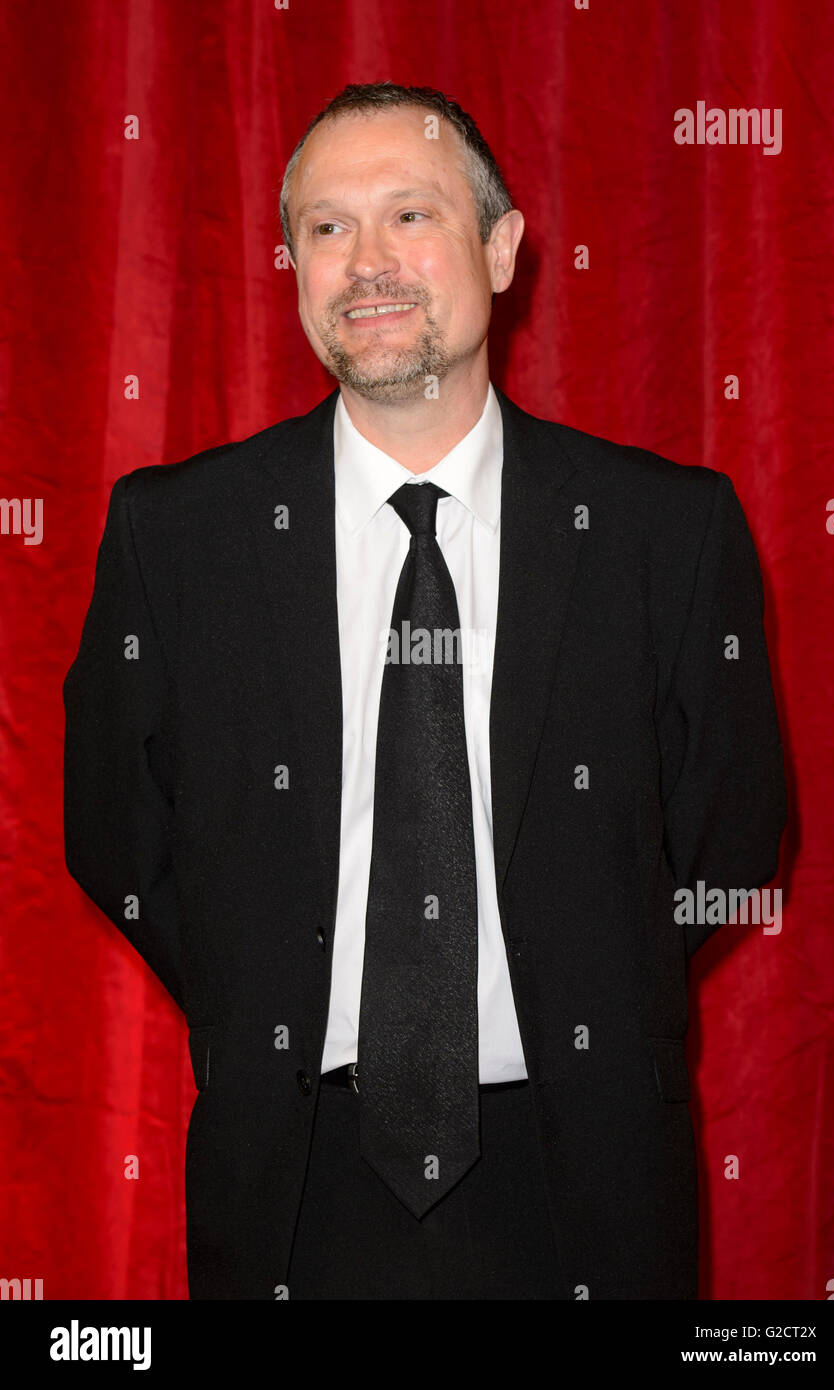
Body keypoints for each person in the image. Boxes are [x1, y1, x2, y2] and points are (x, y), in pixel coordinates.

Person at [63, 82, 787, 1300]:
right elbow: (115, 832)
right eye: (329, 227)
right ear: (292, 265)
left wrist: (583, 980)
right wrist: (268, 996)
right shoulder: (175, 534)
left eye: (411, 214)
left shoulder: (666, 531)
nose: (366, 262)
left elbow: (728, 829)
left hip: (585, 1185)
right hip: (289, 1183)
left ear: (501, 250)